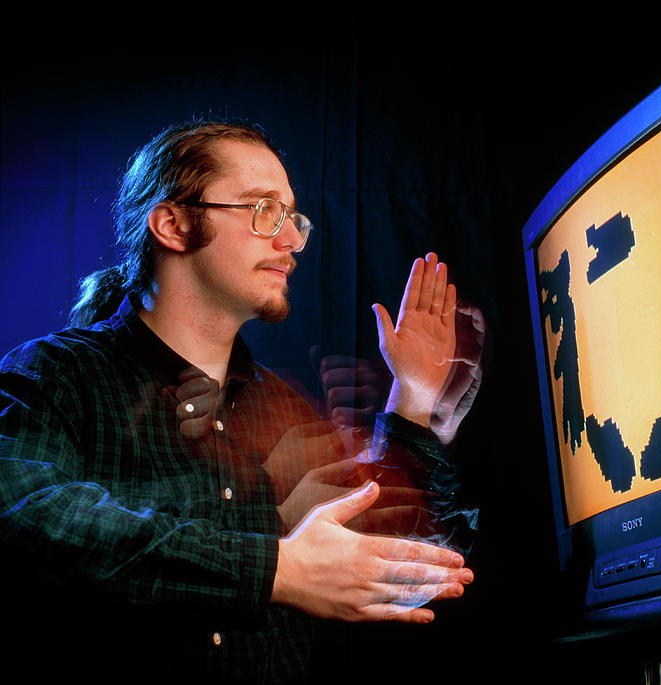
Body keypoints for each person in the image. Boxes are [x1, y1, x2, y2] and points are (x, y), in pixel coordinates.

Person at [0, 120, 479, 681]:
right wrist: (278, 570)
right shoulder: (57, 373)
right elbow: (23, 517)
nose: (291, 241)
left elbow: (386, 557)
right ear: (174, 225)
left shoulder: (283, 408)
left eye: (293, 219)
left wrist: (414, 396)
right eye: (262, 210)